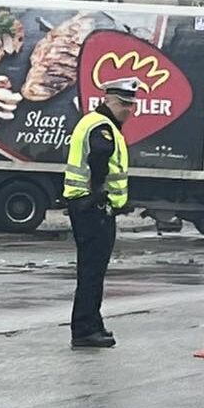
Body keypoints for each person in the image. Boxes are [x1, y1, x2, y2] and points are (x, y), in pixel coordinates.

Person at [63, 77, 138, 349]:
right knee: (92, 272)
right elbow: (99, 157)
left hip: (88, 207)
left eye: (131, 105)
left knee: (93, 270)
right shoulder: (102, 127)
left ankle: (92, 323)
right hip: (92, 209)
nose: (127, 110)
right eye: (122, 104)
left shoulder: (98, 123)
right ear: (108, 100)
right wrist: (99, 196)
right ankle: (84, 330)